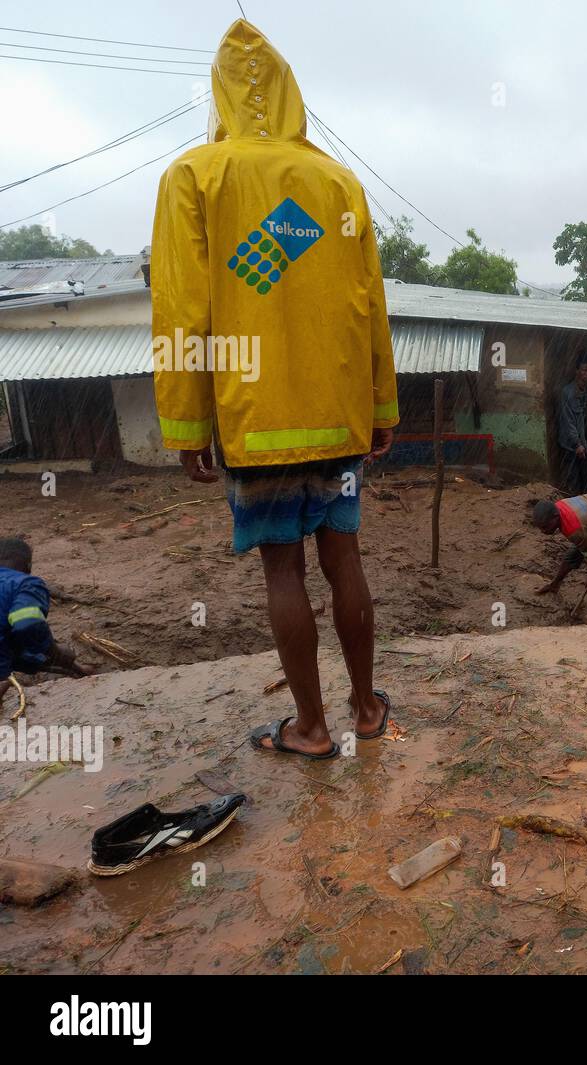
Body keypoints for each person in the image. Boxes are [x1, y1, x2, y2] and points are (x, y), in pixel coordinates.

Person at [152, 18, 399, 760]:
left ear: (221, 94)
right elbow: (371, 306)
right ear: (292, 92)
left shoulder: (193, 176)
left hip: (255, 422)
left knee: (282, 568)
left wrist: (187, 422)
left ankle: (311, 729)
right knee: (344, 558)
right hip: (335, 419)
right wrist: (381, 406)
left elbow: (182, 308)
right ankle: (365, 707)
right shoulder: (337, 181)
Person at [0, 538, 85, 686]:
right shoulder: (25, 583)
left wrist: (40, 660)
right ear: (28, 565)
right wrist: (54, 651)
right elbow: (26, 624)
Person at [558, 353, 587, 494]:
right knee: (573, 480)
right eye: (584, 370)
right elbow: (568, 421)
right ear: (577, 371)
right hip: (571, 446)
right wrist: (577, 444)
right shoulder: (567, 393)